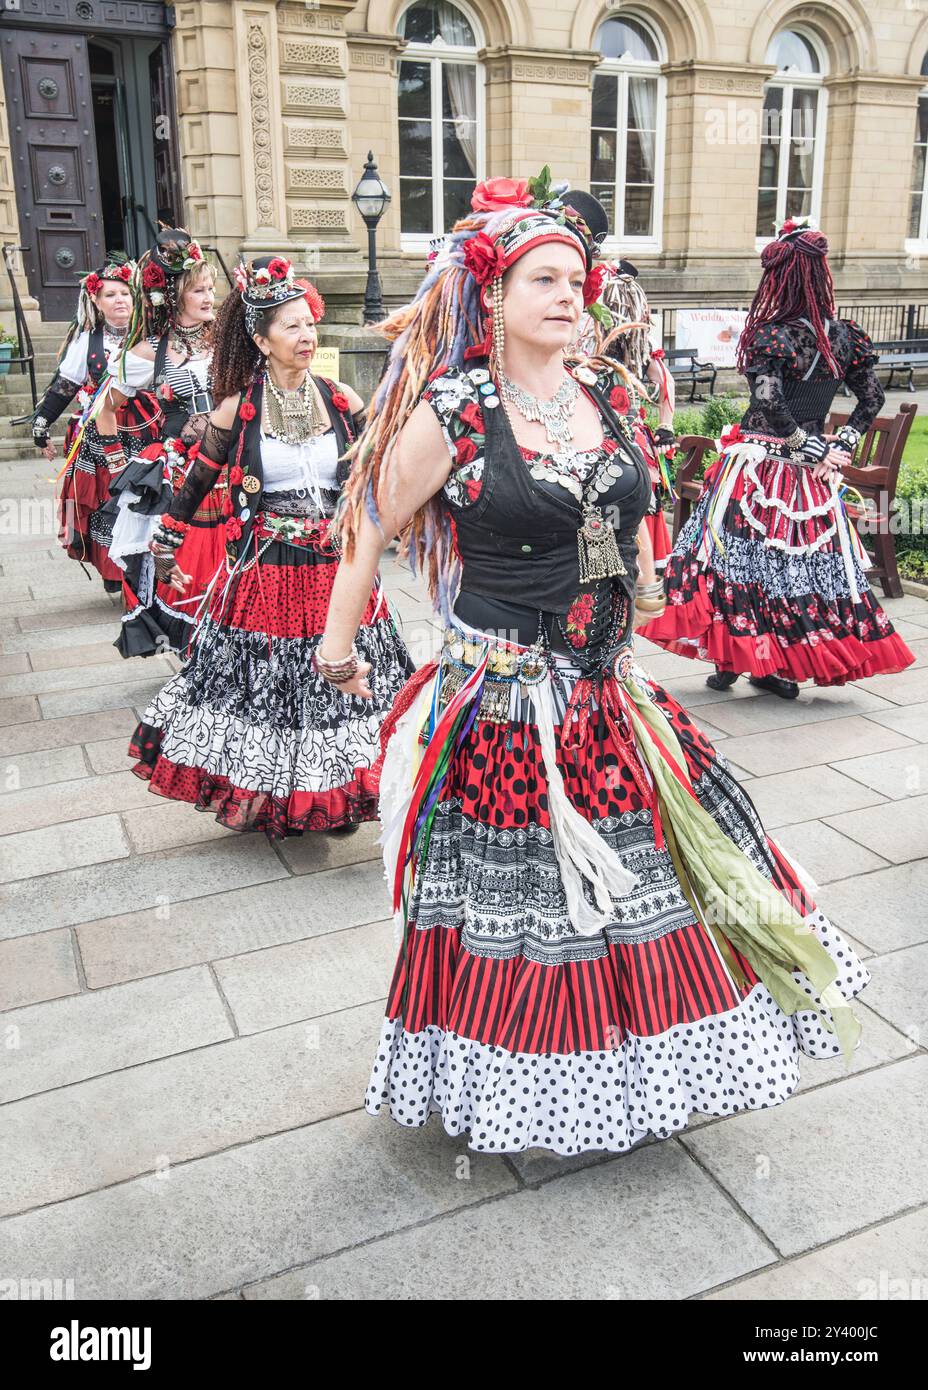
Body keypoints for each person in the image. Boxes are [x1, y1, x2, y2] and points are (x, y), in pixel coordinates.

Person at [316, 174, 870, 1157]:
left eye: (577, 278)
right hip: (504, 700)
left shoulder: (604, 391)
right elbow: (370, 518)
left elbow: (630, 500)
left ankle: (635, 1069)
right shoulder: (455, 407)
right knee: (535, 906)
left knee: (651, 886)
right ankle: (532, 1083)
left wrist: (649, 582)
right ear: (493, 296)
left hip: (611, 688)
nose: (571, 294)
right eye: (543, 278)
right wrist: (337, 639)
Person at [128, 254, 414, 837]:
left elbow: (379, 476)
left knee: (343, 684)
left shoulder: (341, 401)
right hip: (267, 573)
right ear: (261, 339)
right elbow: (195, 485)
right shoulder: (237, 409)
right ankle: (274, 792)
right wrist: (165, 549)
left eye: (309, 322)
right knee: (273, 690)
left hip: (339, 567)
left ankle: (336, 797)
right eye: (291, 326)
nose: (306, 335)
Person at [639, 216, 915, 697]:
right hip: (807, 476)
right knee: (789, 567)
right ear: (820, 274)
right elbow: (871, 400)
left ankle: (737, 657)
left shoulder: (774, 335)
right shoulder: (845, 335)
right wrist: (835, 445)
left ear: (781, 278)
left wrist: (808, 446)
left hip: (757, 467)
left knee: (731, 561)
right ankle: (765, 665)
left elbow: (768, 403)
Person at [93, 228, 220, 657]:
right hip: (180, 467)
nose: (208, 297)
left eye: (211, 288)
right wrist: (115, 464)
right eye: (198, 289)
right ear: (173, 294)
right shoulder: (148, 352)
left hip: (230, 459)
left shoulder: (227, 341)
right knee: (186, 556)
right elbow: (105, 410)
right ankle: (195, 643)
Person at [35, 260, 158, 588]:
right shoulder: (87, 342)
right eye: (110, 295)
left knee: (145, 498)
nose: (119, 300)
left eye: (125, 294)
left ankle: (147, 563)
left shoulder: (151, 338)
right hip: (101, 435)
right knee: (107, 501)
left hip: (147, 430)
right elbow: (65, 386)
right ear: (96, 302)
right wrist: (41, 424)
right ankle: (114, 571)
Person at [578, 260, 676, 624]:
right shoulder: (629, 336)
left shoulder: (590, 332)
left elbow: (664, 380)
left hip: (606, 438)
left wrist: (664, 426)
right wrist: (665, 426)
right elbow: (666, 382)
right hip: (625, 438)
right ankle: (643, 588)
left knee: (609, 511)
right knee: (630, 511)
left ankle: (620, 588)